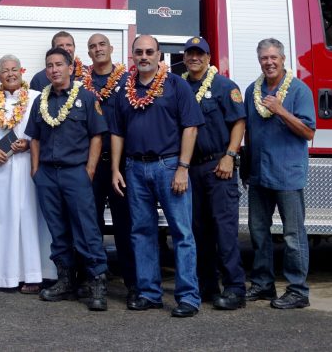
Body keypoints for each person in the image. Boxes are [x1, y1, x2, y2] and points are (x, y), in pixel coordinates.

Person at [110, 35, 204, 317]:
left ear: (159, 55)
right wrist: (115, 168)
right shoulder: (123, 90)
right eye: (138, 52)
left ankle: (188, 297)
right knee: (141, 232)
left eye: (150, 52)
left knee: (182, 233)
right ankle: (149, 293)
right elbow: (117, 132)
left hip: (169, 166)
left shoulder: (177, 85)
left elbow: (191, 128)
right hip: (134, 169)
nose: (144, 56)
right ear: (132, 55)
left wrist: (183, 168)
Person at [26, 47, 110, 312]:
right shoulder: (40, 101)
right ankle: (65, 280)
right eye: (49, 65)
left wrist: (90, 169)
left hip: (76, 172)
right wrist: (36, 170)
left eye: (59, 64)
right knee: (57, 229)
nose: (54, 70)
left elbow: (97, 136)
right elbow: (35, 137)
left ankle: (96, 281)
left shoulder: (85, 98)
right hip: (48, 175)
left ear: (71, 68)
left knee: (86, 229)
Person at [243, 38, 316, 310]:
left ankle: (298, 290)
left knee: (292, 235)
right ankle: (263, 284)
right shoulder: (253, 91)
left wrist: (280, 110)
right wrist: (245, 167)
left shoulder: (299, 91)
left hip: (287, 175)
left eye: (274, 57)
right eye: (264, 58)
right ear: (259, 60)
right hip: (260, 174)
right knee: (258, 232)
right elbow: (248, 133)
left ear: (283, 59)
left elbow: (309, 132)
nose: (269, 62)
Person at [180, 36, 247, 310]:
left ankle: (235, 289)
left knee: (225, 231)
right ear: (185, 57)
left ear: (209, 58)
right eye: (190, 53)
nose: (195, 58)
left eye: (200, 54)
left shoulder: (224, 86)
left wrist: (230, 156)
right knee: (198, 231)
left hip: (218, 166)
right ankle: (208, 286)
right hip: (191, 168)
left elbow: (239, 122)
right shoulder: (179, 86)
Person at [0, 54, 50, 292]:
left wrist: (28, 143)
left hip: (26, 168)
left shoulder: (37, 98)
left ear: (21, 71)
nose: (10, 74)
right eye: (4, 70)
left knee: (28, 218)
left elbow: (44, 131)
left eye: (14, 69)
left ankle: (33, 275)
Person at [82, 32, 135, 302]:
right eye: (92, 47)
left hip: (121, 166)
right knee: (91, 225)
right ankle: (94, 281)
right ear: (88, 53)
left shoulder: (128, 81)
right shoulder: (82, 82)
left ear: (112, 48)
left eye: (102, 44)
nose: (98, 49)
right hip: (90, 166)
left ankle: (133, 285)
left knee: (126, 225)